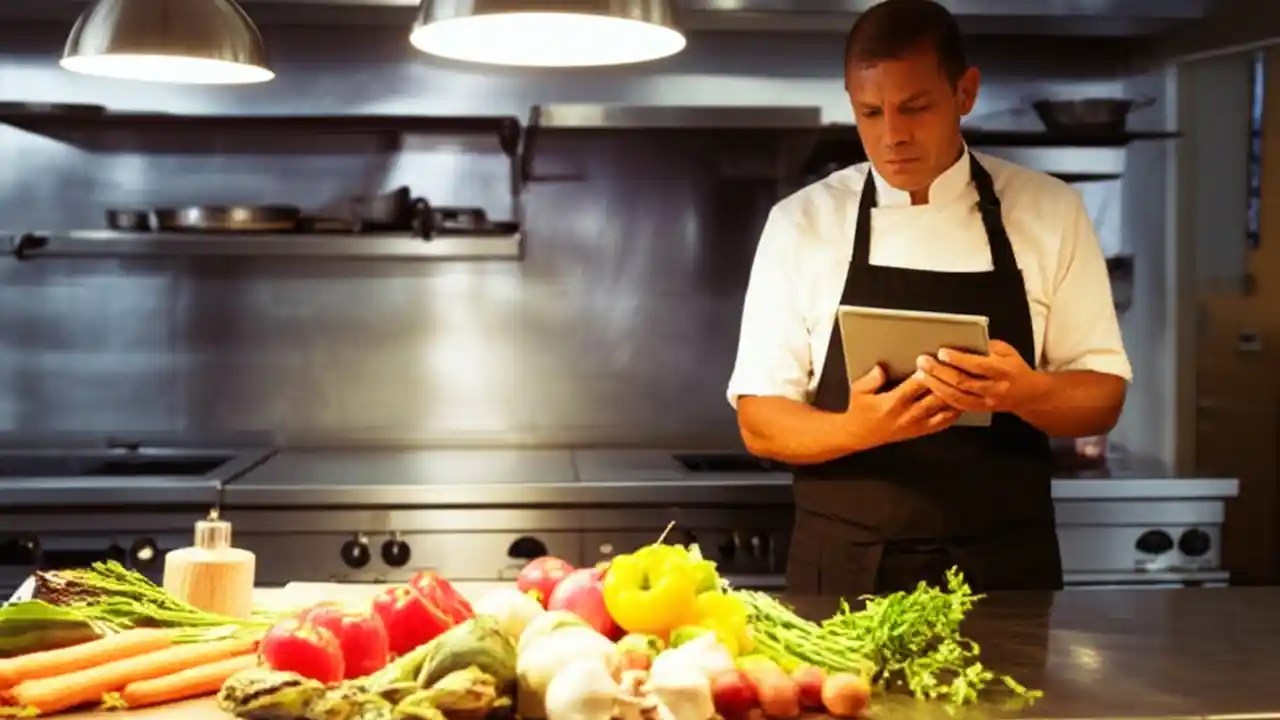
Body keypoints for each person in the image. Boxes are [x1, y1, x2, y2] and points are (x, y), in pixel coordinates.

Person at [726, 0, 1131, 596]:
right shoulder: (801, 223)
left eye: (915, 107)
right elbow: (760, 423)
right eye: (870, 112)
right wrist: (859, 428)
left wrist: (1026, 393)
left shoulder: (1050, 210)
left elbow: (1103, 398)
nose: (892, 136)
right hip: (845, 570)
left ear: (965, 92)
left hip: (1006, 573)